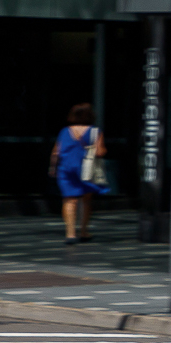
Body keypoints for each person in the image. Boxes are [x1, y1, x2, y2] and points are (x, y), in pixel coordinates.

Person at [49, 103, 106, 243]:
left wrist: (52, 168)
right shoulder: (94, 131)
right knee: (86, 201)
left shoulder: (64, 131)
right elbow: (100, 152)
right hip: (86, 170)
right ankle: (84, 231)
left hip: (66, 169)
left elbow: (56, 152)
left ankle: (70, 234)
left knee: (69, 200)